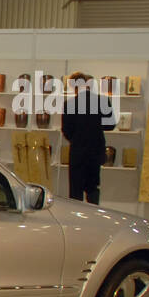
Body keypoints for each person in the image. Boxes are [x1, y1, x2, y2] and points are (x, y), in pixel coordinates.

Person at [61, 71, 110, 205]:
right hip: (96, 150)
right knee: (93, 187)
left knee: (75, 190)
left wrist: (77, 139)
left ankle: (75, 220)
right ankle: (94, 217)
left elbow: (66, 130)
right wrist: (95, 129)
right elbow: (110, 125)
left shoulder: (69, 104)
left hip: (78, 151)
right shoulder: (103, 101)